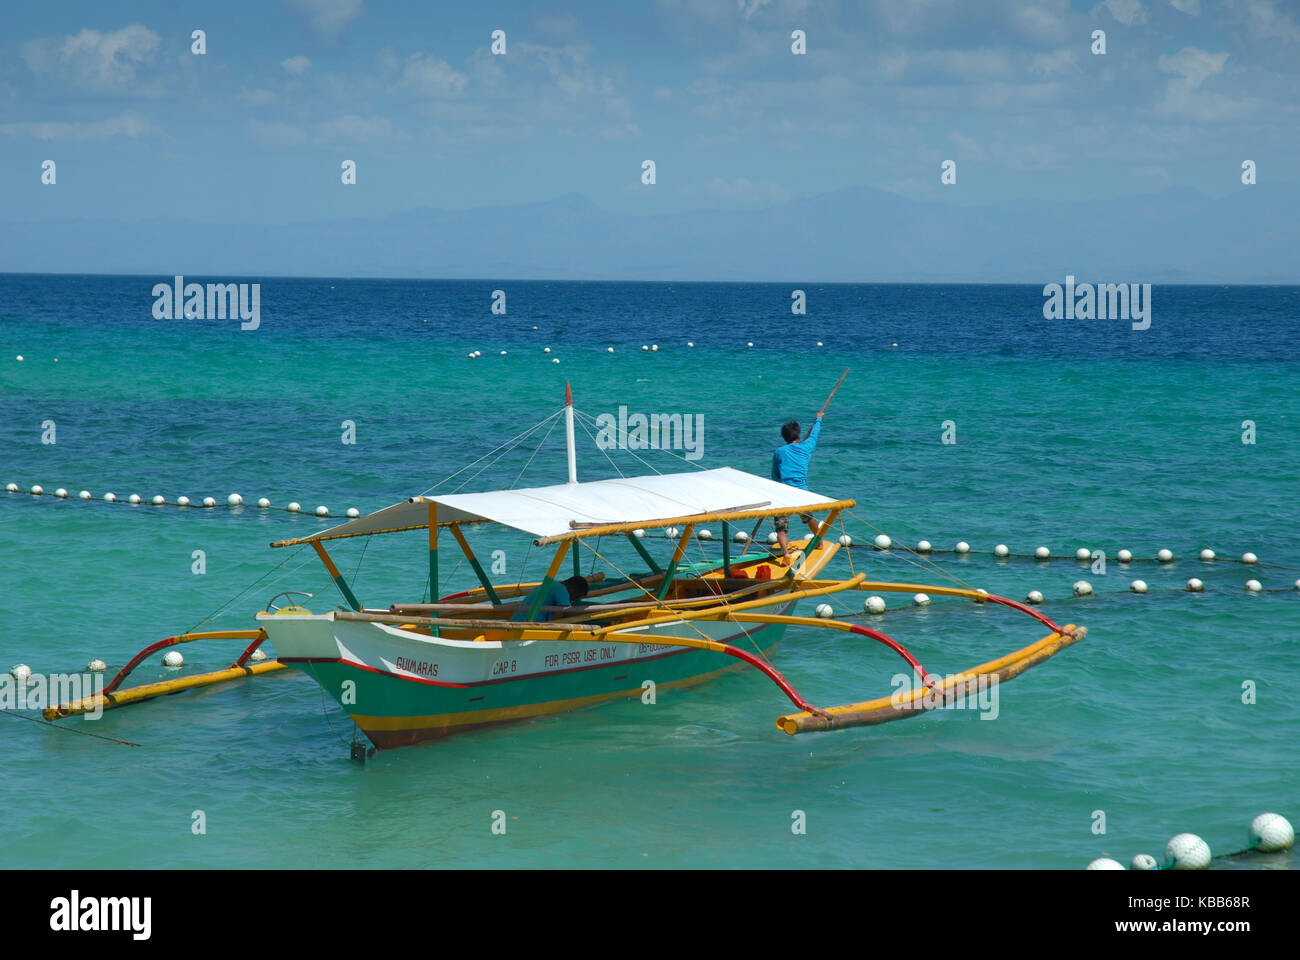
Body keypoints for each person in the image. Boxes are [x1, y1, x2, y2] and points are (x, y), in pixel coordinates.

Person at [771, 412, 824, 559]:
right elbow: (814, 435)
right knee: (809, 517)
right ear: (799, 435)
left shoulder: (779, 452)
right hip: (801, 493)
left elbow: (775, 476)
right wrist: (819, 419)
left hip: (783, 493)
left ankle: (786, 553)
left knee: (781, 528)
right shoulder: (806, 448)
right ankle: (819, 542)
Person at [514, 575, 588, 622]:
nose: (573, 600)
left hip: (517, 621)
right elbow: (570, 615)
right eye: (575, 597)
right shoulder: (561, 590)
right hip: (528, 625)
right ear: (573, 589)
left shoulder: (551, 585)